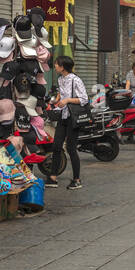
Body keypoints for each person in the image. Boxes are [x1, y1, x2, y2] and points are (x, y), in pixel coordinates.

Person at [49, 55, 87, 189]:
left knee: (71, 148)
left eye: (56, 64)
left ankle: (77, 179)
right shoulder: (60, 79)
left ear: (63, 66)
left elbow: (84, 99)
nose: (55, 66)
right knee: (56, 146)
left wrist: (67, 100)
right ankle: (53, 177)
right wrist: (56, 101)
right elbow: (62, 95)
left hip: (73, 118)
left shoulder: (76, 80)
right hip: (63, 116)